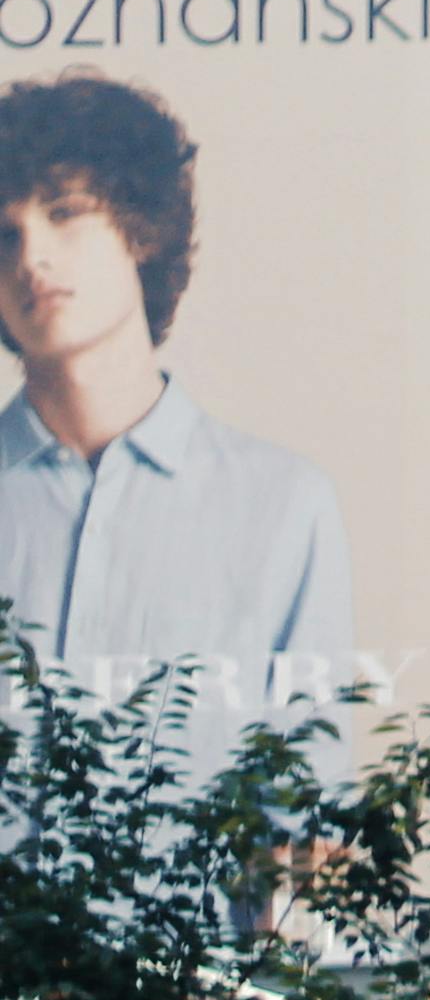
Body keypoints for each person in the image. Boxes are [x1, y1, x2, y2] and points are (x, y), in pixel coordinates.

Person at [0, 71, 353, 691]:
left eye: (65, 213)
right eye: (5, 236)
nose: (32, 258)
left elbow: (307, 776)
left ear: (141, 229)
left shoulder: (281, 504)